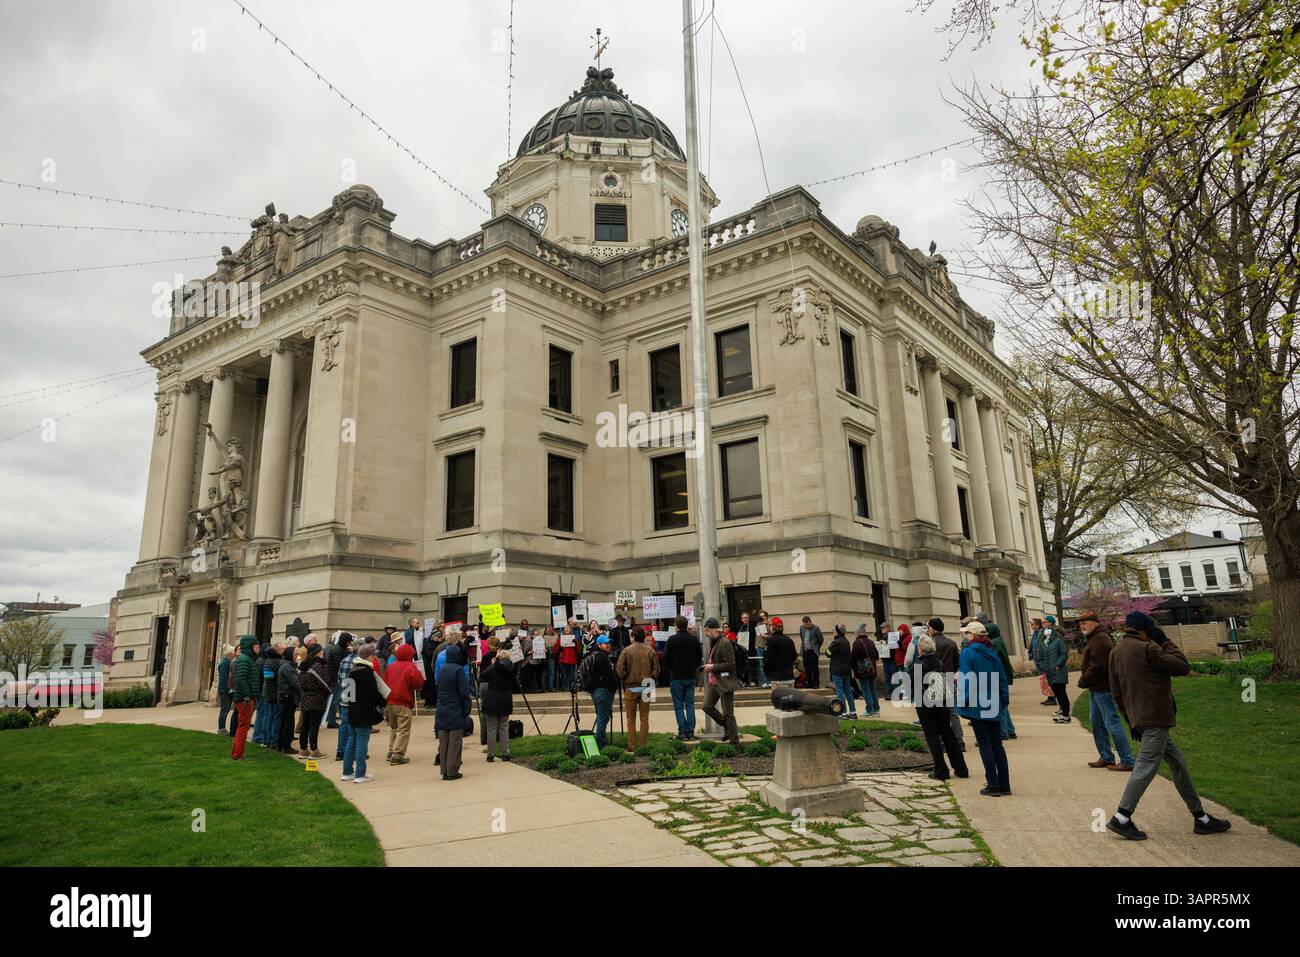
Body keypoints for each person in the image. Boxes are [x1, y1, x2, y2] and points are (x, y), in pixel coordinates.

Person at [1105, 612, 1230, 840]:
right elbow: (1182, 666)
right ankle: (1122, 818)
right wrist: (1163, 640)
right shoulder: (1148, 649)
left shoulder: (1116, 652)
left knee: (1178, 765)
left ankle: (1201, 819)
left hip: (1141, 719)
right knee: (1145, 766)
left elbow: (1116, 691)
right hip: (1155, 719)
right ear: (1144, 631)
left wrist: (1130, 720)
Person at [956, 621, 1011, 796]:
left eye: (966, 634)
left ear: (972, 635)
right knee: (997, 744)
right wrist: (1004, 699)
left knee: (985, 745)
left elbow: (966, 680)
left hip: (977, 703)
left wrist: (962, 702)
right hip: (993, 701)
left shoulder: (968, 653)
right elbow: (1002, 677)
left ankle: (993, 784)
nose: (965, 637)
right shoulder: (992, 652)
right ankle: (1004, 784)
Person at [1075, 611, 1133, 770]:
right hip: (1096, 688)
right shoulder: (1094, 638)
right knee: (1097, 723)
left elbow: (1098, 665)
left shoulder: (1100, 639)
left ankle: (1127, 760)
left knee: (1111, 723)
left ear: (1095, 623)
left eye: (1085, 623)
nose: (1082, 626)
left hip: (1104, 689)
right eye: (1080, 624)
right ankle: (1106, 757)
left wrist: (1084, 680)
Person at [915, 635, 969, 781]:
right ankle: (961, 768)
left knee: (933, 738)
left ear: (920, 649)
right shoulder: (939, 663)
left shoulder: (918, 665)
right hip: (942, 703)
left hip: (926, 706)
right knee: (948, 735)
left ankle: (941, 770)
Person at [342, 643, 385, 784]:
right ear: (369, 656)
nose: (376, 658)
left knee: (351, 741)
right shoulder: (365, 672)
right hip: (363, 711)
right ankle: (360, 774)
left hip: (352, 709)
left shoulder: (353, 669)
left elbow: (348, 695)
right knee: (361, 741)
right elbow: (373, 693)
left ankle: (347, 772)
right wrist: (383, 702)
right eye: (374, 655)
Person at [616, 625, 660, 751]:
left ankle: (632, 745)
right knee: (645, 717)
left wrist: (625, 677)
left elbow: (619, 669)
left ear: (633, 636)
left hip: (630, 686)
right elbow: (657, 669)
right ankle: (643, 745)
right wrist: (651, 678)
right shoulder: (650, 650)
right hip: (647, 685)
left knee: (631, 718)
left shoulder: (626, 650)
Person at [434, 643, 473, 780]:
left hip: (442, 707)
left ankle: (444, 770)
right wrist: (467, 707)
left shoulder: (443, 668)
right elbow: (463, 691)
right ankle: (452, 771)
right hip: (455, 708)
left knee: (444, 741)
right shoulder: (458, 670)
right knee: (455, 742)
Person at [384, 644, 425, 765]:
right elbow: (418, 683)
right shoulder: (410, 667)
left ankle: (391, 751)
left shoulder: (391, 666)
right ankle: (398, 754)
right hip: (403, 701)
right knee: (403, 729)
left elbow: (384, 681)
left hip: (390, 700)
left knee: (394, 727)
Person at [701, 618, 741, 744]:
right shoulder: (713, 642)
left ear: (713, 630)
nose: (706, 634)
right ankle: (727, 727)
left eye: (707, 631)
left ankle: (734, 742)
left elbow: (730, 664)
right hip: (714, 682)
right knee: (707, 706)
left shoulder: (724, 642)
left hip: (725, 682)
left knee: (728, 713)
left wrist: (712, 667)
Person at [663, 616, 702, 740]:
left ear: (676, 626)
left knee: (679, 705)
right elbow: (698, 657)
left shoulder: (672, 640)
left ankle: (682, 731)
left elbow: (666, 658)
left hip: (676, 676)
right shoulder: (694, 640)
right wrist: (694, 667)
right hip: (690, 675)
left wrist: (668, 670)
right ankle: (690, 731)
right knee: (690, 705)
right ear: (686, 625)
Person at [928, 618, 965, 750]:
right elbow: (956, 663)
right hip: (949, 678)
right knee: (953, 712)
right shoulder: (952, 643)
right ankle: (959, 740)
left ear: (933, 629)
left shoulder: (930, 643)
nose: (927, 630)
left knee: (938, 713)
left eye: (928, 628)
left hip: (935, 679)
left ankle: (943, 742)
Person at [479, 648, 516, 762]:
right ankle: (506, 752)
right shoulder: (512, 667)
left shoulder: (494, 667)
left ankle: (491, 754)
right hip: (505, 698)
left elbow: (483, 676)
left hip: (492, 698)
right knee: (504, 727)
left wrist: (492, 665)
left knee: (491, 728)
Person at [1034, 615, 1071, 723]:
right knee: (1058, 694)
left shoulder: (1058, 641)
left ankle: (1066, 715)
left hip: (1058, 671)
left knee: (1061, 693)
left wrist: (1057, 665)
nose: (1046, 631)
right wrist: (1043, 667)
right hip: (1049, 672)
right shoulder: (1045, 643)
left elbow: (1064, 654)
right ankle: (1063, 714)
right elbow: (1040, 656)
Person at [985, 622, 1017, 740]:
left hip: (997, 677)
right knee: (1003, 705)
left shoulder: (994, 643)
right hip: (1002, 676)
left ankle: (1003, 731)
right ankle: (1010, 730)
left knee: (999, 705)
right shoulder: (998, 641)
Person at [230, 635, 260, 760]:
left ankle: (236, 754)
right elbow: (241, 680)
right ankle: (238, 754)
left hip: (246, 698)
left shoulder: (247, 659)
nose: (258, 647)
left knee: (242, 727)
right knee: (243, 727)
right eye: (255, 645)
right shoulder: (244, 659)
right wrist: (247, 696)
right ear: (249, 646)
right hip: (245, 699)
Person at [298, 643, 330, 757]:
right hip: (317, 698)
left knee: (305, 725)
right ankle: (314, 749)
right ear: (317, 652)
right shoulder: (316, 665)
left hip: (305, 697)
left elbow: (300, 682)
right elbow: (325, 683)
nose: (322, 653)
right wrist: (328, 690)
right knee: (314, 725)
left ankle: (303, 748)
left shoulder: (303, 664)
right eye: (321, 651)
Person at [588, 634, 619, 749]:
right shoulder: (602, 658)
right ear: (599, 645)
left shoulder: (596, 656)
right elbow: (608, 677)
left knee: (601, 716)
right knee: (602, 717)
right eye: (606, 644)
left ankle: (601, 738)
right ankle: (600, 743)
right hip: (602, 691)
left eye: (609, 643)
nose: (609, 645)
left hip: (596, 691)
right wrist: (614, 685)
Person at [252, 642, 281, 746]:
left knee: (265, 715)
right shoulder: (262, 662)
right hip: (263, 693)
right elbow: (264, 679)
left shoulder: (264, 661)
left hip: (264, 692)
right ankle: (258, 737)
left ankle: (260, 737)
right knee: (263, 715)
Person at [275, 644, 302, 754]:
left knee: (284, 722)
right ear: (289, 654)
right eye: (295, 654)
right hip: (287, 697)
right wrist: (303, 695)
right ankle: (285, 746)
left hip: (286, 697)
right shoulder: (287, 667)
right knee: (288, 723)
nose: (297, 656)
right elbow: (295, 683)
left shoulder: (288, 665)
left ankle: (280, 745)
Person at [335, 638, 358, 762]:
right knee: (353, 726)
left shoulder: (344, 660)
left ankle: (340, 751)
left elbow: (339, 680)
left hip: (344, 695)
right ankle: (351, 752)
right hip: (355, 698)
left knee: (344, 724)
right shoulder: (359, 662)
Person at [826, 624, 857, 719]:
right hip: (846, 670)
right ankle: (853, 712)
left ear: (837, 631)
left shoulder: (836, 642)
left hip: (837, 670)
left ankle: (843, 713)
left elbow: (828, 653)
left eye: (833, 630)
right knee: (848, 691)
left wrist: (827, 649)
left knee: (840, 691)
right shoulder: (846, 641)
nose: (832, 631)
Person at [850, 623, 880, 716]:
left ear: (857, 632)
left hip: (862, 670)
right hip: (872, 669)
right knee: (873, 689)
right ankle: (876, 709)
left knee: (866, 689)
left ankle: (870, 710)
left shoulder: (857, 643)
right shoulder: (871, 642)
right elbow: (877, 656)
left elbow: (853, 658)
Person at [323, 632, 350, 728]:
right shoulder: (338, 650)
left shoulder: (336, 648)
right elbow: (341, 664)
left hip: (332, 677)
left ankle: (331, 718)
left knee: (333, 699)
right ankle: (331, 721)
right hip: (334, 678)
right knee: (334, 700)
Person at [1028, 617, 1056, 706]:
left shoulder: (1042, 633)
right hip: (1037, 659)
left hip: (1043, 660)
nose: (1031, 626)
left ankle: (1052, 698)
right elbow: (1032, 645)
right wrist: (1031, 654)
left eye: (1032, 624)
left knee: (1047, 679)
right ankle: (1049, 697)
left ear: (1037, 624)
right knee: (1044, 679)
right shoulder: (1035, 634)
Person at [763, 617, 798, 687]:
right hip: (789, 676)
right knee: (789, 697)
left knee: (779, 697)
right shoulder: (789, 640)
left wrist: (767, 671)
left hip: (776, 677)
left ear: (773, 627)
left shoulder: (771, 641)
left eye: (770, 625)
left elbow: (767, 658)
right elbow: (794, 656)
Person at [216, 644, 237, 735]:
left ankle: (222, 728)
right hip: (225, 689)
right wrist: (228, 689)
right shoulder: (225, 663)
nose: (234, 653)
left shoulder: (228, 662)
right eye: (233, 651)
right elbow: (224, 679)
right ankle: (221, 728)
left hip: (226, 689)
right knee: (224, 709)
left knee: (226, 709)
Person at [799, 616, 824, 688]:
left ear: (810, 622)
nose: (807, 626)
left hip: (813, 652)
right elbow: (802, 638)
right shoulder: (801, 628)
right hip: (805, 651)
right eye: (805, 624)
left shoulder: (816, 628)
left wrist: (816, 647)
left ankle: (816, 683)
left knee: (814, 668)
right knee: (807, 668)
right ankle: (809, 683)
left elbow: (821, 639)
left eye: (808, 624)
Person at [557, 624, 578, 691]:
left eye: (568, 628)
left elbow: (579, 650)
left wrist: (576, 643)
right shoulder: (561, 639)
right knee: (564, 674)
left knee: (571, 675)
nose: (566, 630)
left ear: (570, 630)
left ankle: (570, 687)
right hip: (563, 659)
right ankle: (564, 687)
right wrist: (559, 647)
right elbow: (556, 650)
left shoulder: (574, 638)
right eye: (565, 629)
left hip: (572, 659)